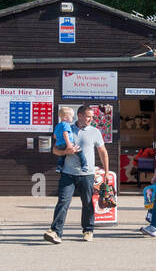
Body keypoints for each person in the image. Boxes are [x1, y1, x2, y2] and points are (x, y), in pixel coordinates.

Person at [44, 104, 110, 244]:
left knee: (87, 203)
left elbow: (103, 152)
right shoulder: (67, 128)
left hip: (87, 175)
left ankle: (88, 230)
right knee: (63, 201)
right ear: (79, 116)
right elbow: (55, 149)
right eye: (88, 116)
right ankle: (56, 232)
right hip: (68, 173)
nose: (91, 119)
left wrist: (107, 172)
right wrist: (65, 152)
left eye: (92, 117)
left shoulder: (95, 131)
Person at [52, 106, 87, 173]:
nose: (73, 118)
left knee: (62, 156)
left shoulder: (57, 125)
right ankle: (84, 165)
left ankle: (59, 167)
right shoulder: (66, 125)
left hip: (59, 144)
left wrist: (59, 141)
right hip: (67, 143)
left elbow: (55, 136)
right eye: (71, 116)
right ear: (65, 118)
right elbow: (65, 134)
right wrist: (69, 145)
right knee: (80, 151)